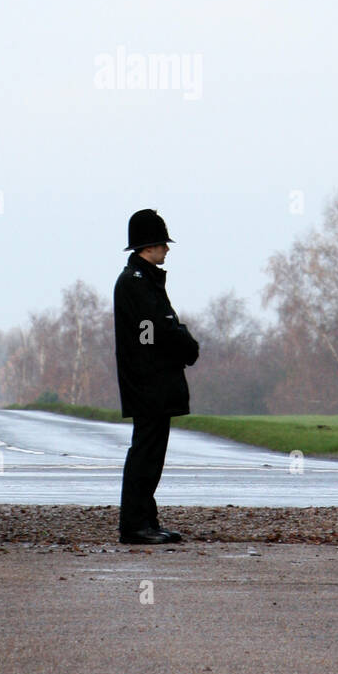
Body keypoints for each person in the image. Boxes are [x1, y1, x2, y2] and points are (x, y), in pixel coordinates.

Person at [114, 209, 200, 545]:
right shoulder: (137, 284)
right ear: (149, 246)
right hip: (149, 382)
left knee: (149, 453)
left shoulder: (142, 280)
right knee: (145, 454)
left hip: (151, 381)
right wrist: (186, 343)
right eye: (163, 243)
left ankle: (144, 519)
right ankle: (135, 524)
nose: (167, 249)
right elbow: (159, 328)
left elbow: (159, 326)